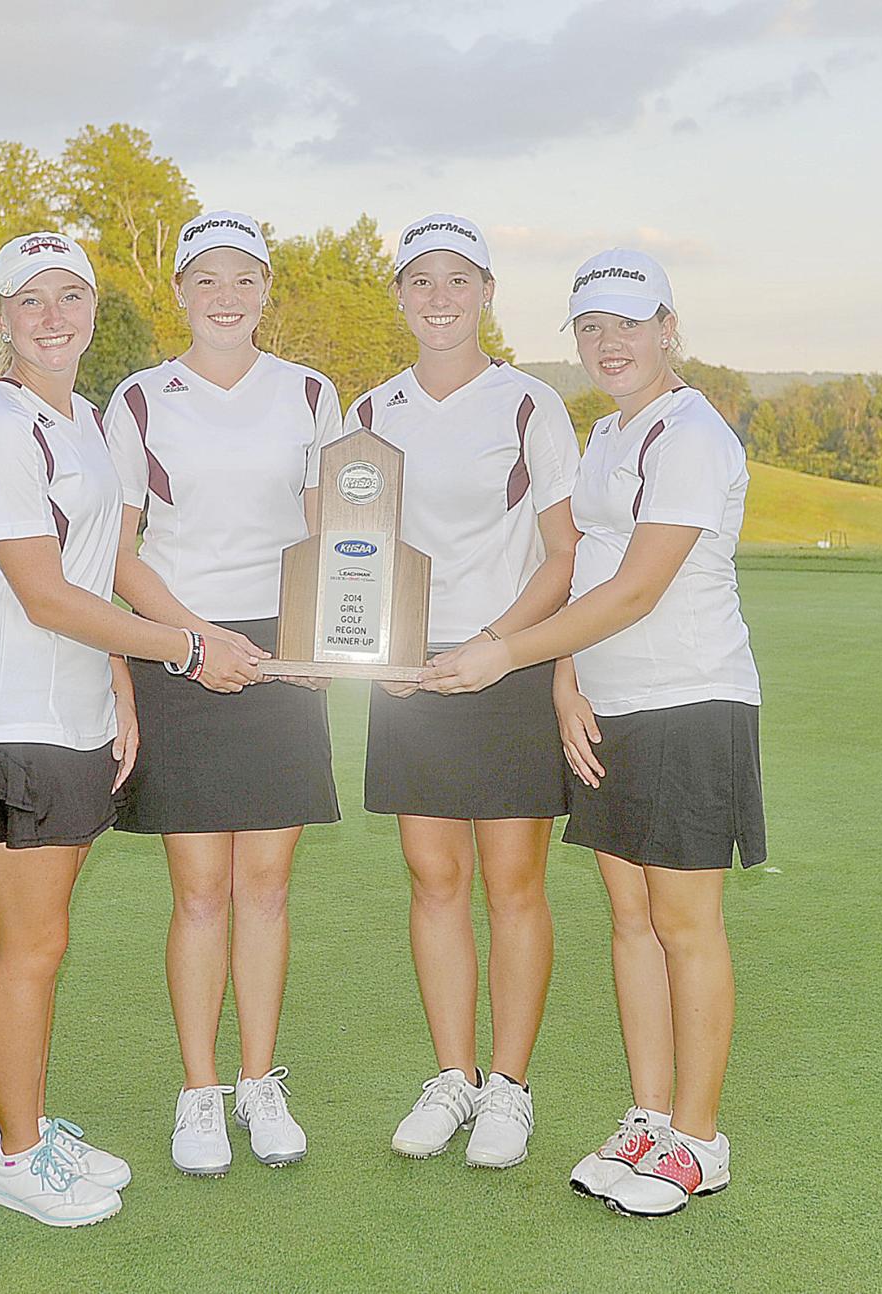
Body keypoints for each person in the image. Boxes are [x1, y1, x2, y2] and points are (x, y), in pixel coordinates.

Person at [422, 248, 766, 1215]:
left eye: (628, 323)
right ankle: (649, 1118)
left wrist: (513, 651)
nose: (610, 343)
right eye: (591, 328)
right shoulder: (610, 433)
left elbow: (639, 586)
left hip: (691, 701)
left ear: (668, 328)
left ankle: (700, 1139)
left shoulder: (691, 433)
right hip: (610, 709)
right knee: (630, 921)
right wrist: (567, 682)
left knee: (686, 924)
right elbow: (581, 565)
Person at [0, 231, 252, 1227]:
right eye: (32, 301)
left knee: (46, 939)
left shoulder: (87, 418)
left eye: (72, 296)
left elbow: (102, 563)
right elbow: (42, 593)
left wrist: (130, 673)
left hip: (70, 710)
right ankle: (16, 1156)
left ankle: (27, 1126)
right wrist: (183, 652)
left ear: (94, 309)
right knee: (30, 945)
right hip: (9, 713)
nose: (55, 316)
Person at [338, 215, 580, 1168]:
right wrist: (372, 652)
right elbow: (351, 555)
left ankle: (509, 1089)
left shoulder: (529, 406)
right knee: (434, 881)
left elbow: (563, 555)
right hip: (407, 670)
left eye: (458, 281)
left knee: (513, 886)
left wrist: (499, 646)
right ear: (399, 296)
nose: (439, 298)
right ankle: (454, 1077)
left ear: (485, 294)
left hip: (505, 662)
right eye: (421, 281)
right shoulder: (368, 413)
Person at [104, 211, 340, 1177]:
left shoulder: (314, 393)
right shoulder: (139, 398)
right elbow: (118, 550)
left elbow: (339, 533)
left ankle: (257, 1082)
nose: (227, 296)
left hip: (283, 649)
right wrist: (193, 643)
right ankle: (199, 1094)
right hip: (182, 645)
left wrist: (333, 634)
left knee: (267, 887)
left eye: (245, 278)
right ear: (179, 292)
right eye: (207, 279)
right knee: (201, 891)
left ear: (268, 289)